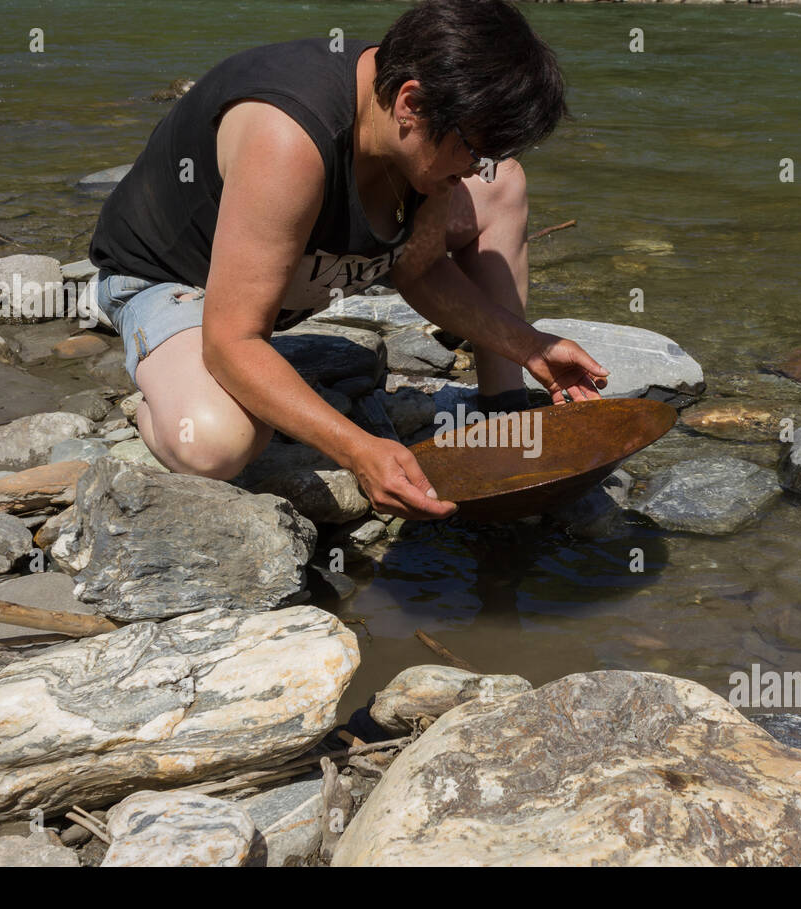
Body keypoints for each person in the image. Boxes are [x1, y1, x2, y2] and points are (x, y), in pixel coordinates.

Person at [88, 0, 609, 520]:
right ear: (412, 104)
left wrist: (532, 347)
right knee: (215, 443)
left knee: (504, 186)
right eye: (474, 149)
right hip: (178, 286)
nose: (478, 166)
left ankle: (503, 411)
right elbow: (232, 341)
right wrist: (359, 451)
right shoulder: (289, 135)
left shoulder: (416, 117)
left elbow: (420, 268)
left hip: (293, 276)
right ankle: (158, 399)